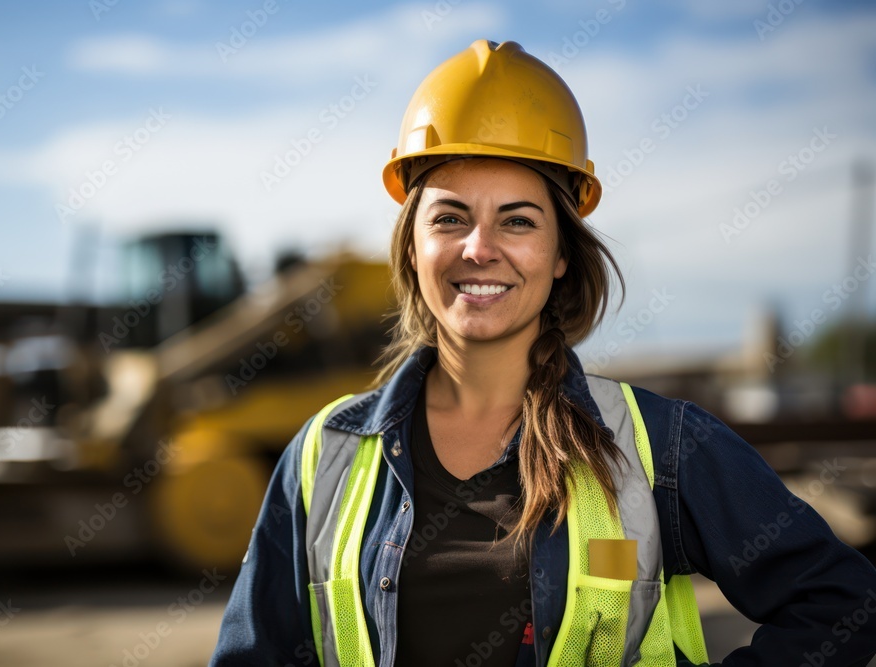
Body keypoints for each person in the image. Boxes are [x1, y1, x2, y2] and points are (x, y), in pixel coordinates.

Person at [210, 39, 876, 666]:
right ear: (411, 245)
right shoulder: (322, 456)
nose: (479, 247)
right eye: (448, 217)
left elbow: (843, 601)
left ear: (561, 254)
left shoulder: (658, 450)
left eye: (518, 219)